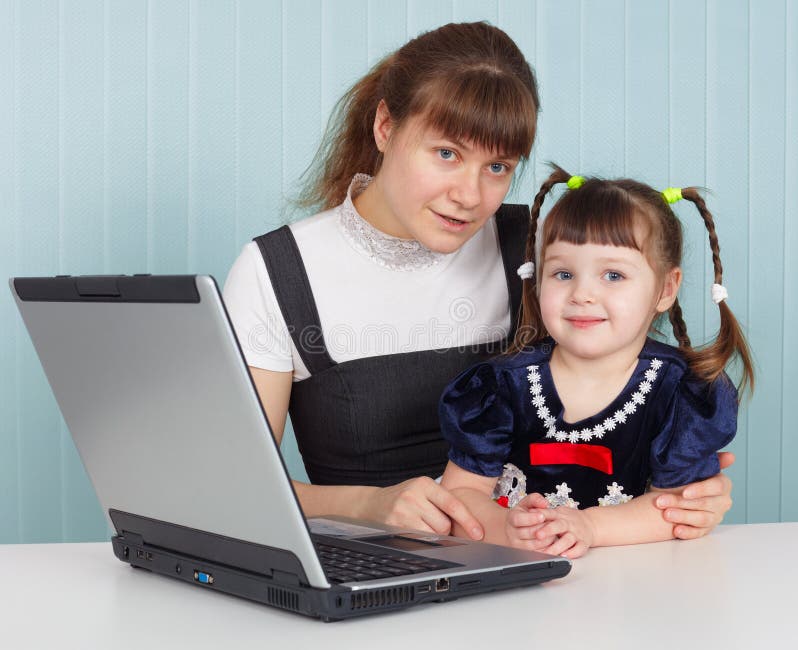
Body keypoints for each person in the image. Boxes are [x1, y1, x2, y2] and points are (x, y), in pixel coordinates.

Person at [222, 22, 734, 542]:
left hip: (546, 568)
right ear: (384, 126)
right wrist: (369, 505)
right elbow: (237, 488)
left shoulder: (539, 251)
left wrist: (687, 497)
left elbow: (631, 404)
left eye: (497, 166)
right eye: (446, 153)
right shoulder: (277, 271)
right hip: (371, 575)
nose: (470, 195)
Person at [439, 166, 754, 557]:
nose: (582, 293)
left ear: (666, 288)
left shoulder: (680, 393)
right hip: (516, 577)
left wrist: (588, 526)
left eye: (613, 275)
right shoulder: (502, 385)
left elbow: (678, 509)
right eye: (564, 273)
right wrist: (506, 529)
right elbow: (459, 494)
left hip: (632, 584)